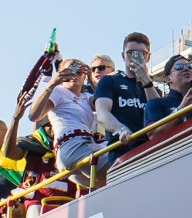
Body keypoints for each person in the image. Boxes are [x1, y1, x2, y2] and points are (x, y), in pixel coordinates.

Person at [31, 59, 109, 187]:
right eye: (69, 72)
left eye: (79, 71)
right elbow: (34, 115)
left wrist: (91, 79)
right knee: (116, 170)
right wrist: (51, 84)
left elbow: (105, 107)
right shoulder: (59, 92)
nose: (74, 75)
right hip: (72, 144)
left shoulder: (86, 96)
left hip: (85, 145)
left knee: (110, 179)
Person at [94, 32, 160, 151]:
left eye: (142, 53)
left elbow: (159, 115)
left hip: (151, 150)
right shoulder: (110, 81)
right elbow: (102, 113)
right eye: (131, 53)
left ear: (148, 57)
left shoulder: (153, 90)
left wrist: (146, 80)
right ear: (123, 56)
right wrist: (121, 129)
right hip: (122, 150)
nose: (135, 57)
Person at [144, 55, 192, 141]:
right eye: (179, 67)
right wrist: (181, 110)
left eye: (189, 66)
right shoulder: (156, 104)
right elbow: (153, 135)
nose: (186, 69)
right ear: (168, 79)